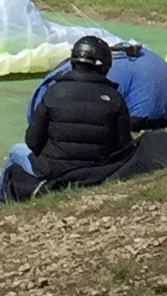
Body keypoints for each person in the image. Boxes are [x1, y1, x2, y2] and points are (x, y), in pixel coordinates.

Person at [24, 34, 135, 186]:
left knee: (16, 152)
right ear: (105, 66)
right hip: (97, 170)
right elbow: (123, 146)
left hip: (54, 169)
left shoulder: (54, 92)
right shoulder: (114, 98)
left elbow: (32, 141)